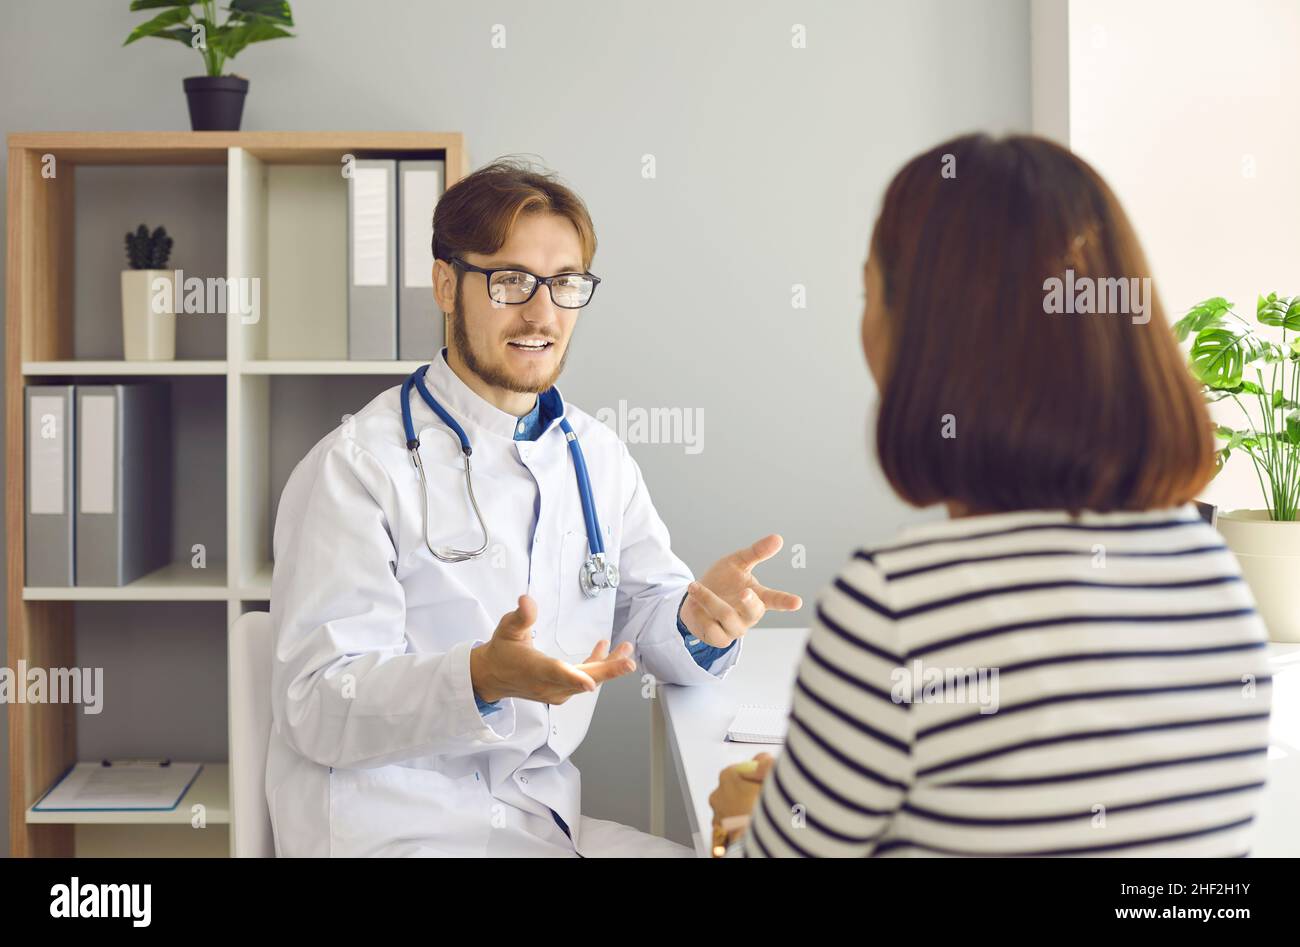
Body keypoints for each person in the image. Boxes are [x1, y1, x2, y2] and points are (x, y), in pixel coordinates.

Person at [710, 133, 1272, 857]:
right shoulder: (1216, 578)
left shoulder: (895, 605)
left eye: (868, 291)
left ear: (921, 337)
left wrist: (751, 831)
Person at [267, 158, 801, 857]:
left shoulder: (594, 454)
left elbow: (646, 612)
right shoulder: (356, 466)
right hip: (398, 830)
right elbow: (316, 702)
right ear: (446, 283)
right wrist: (477, 677)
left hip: (538, 820)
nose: (542, 313)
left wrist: (699, 621)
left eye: (566, 283)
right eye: (511, 280)